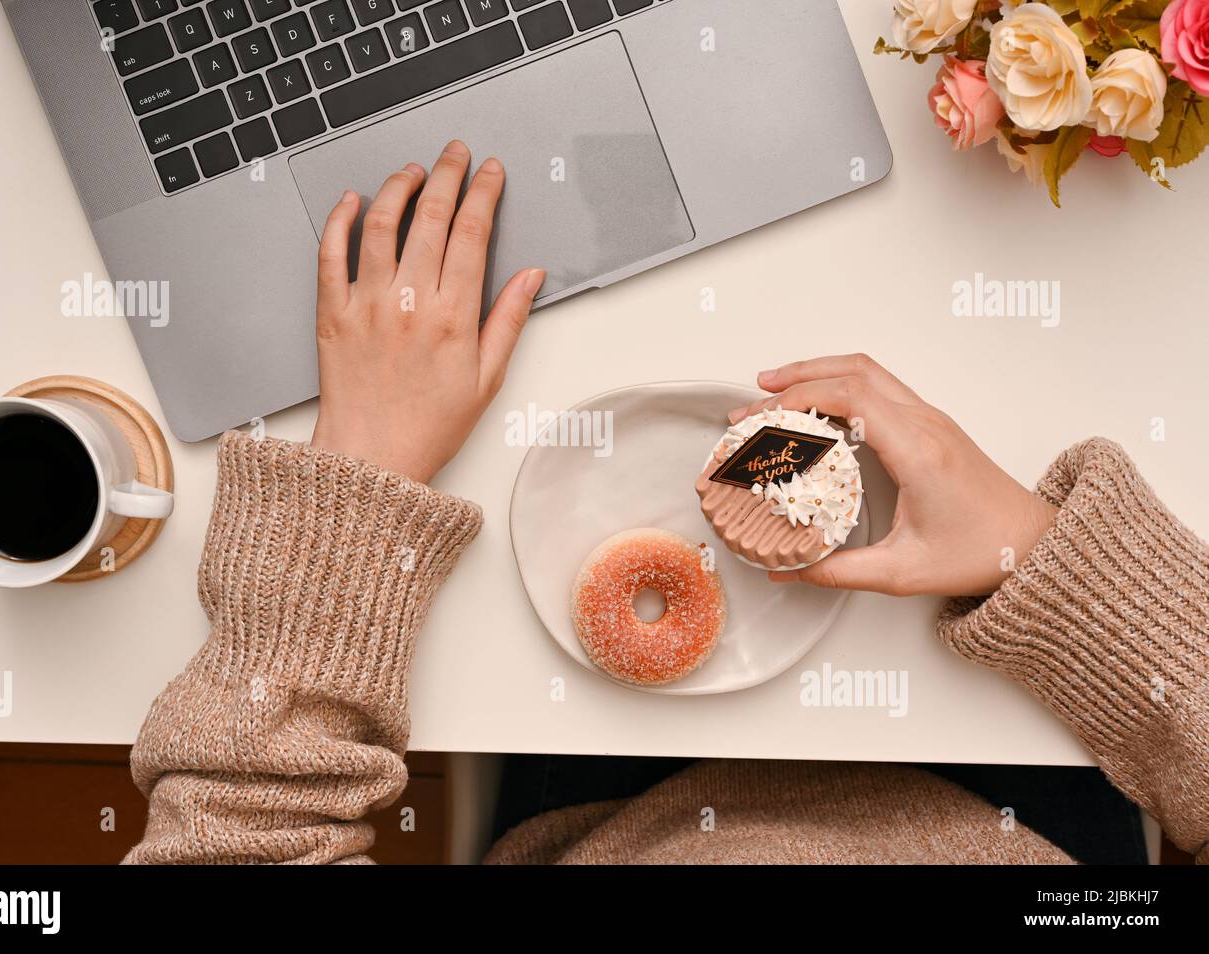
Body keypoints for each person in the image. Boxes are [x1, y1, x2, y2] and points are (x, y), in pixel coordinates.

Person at [123, 142, 1208, 865]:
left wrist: (357, 483)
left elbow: (239, 840)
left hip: (601, 816)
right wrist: (1051, 570)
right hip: (1059, 803)